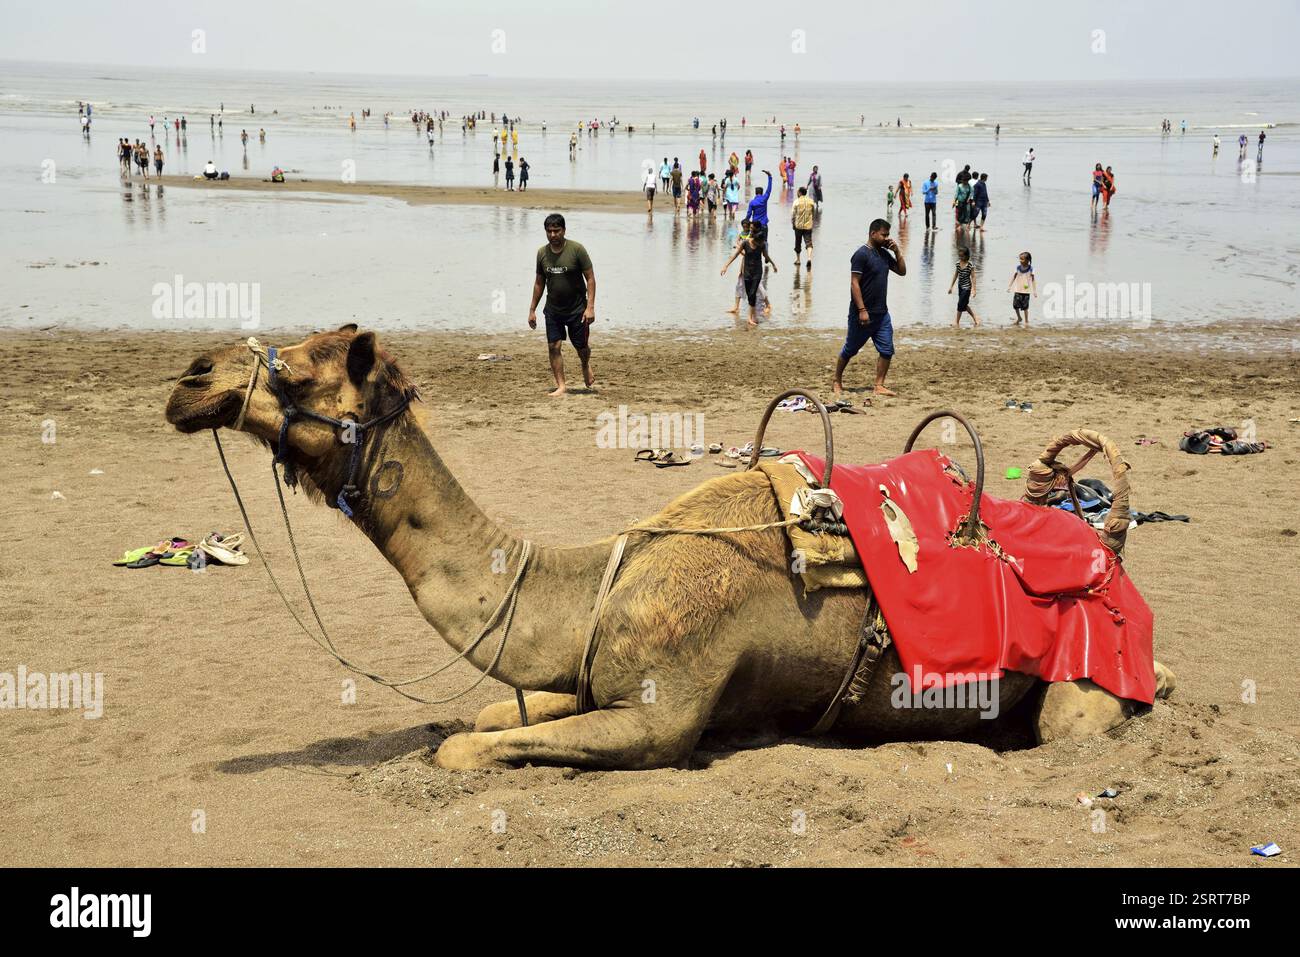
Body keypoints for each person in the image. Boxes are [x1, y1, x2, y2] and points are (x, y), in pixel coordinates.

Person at [528, 214, 596, 396]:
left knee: (581, 347)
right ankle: (561, 386)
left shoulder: (577, 250)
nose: (553, 235)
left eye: (556, 231)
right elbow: (539, 283)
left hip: (577, 310)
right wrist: (532, 310)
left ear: (564, 231)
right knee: (553, 347)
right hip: (553, 310)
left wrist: (590, 307)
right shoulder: (542, 253)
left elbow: (590, 278)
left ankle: (584, 363)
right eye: (549, 231)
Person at [835, 219, 905, 397]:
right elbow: (854, 283)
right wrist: (861, 310)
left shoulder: (883, 254)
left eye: (888, 235)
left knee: (887, 349)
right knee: (850, 349)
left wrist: (897, 251)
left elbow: (902, 271)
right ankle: (837, 380)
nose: (886, 238)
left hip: (882, 313)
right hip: (862, 314)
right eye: (883, 234)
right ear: (873, 233)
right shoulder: (861, 255)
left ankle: (879, 385)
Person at [722, 224, 777, 328]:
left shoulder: (761, 245)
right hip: (747, 272)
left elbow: (766, 256)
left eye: (761, 243)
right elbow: (735, 255)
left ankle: (749, 318)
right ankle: (753, 316)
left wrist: (773, 265)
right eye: (758, 242)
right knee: (750, 295)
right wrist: (725, 266)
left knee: (752, 293)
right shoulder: (745, 243)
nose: (759, 244)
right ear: (755, 239)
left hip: (757, 272)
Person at [948, 247, 979, 328]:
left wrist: (974, 289)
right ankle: (975, 318)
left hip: (967, 288)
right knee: (964, 305)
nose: (961, 258)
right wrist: (951, 287)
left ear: (966, 256)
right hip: (960, 287)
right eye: (960, 256)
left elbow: (973, 277)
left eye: (962, 256)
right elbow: (955, 275)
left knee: (960, 303)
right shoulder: (958, 264)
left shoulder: (970, 265)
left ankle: (956, 322)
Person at [1007, 251, 1037, 326]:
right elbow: (1014, 277)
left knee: (1025, 307)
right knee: (1015, 305)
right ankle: (1019, 318)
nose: (1020, 261)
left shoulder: (1031, 269)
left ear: (1027, 260)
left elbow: (1033, 280)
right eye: (1020, 259)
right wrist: (1009, 286)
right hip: (1017, 290)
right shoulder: (1018, 267)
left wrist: (1034, 290)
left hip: (1026, 291)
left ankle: (1026, 321)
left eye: (1022, 259)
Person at [792, 186, 815, 270]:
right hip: (808, 225)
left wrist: (793, 224)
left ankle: (798, 260)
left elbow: (793, 215)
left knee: (798, 243)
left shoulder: (796, 202)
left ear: (800, 193)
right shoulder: (811, 201)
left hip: (798, 225)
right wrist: (811, 221)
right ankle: (809, 258)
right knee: (808, 242)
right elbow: (813, 213)